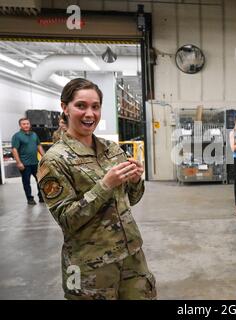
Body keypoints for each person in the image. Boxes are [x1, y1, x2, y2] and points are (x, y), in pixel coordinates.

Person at [37, 78, 156, 300]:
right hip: (90, 265)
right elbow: (67, 219)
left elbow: (132, 198)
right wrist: (105, 185)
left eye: (95, 106)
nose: (89, 114)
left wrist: (136, 180)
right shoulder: (54, 160)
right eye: (81, 106)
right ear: (65, 107)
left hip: (131, 255)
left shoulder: (111, 150)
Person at [11, 117, 45, 205]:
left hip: (35, 163)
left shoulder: (34, 135)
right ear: (20, 125)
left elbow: (39, 146)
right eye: (24, 124)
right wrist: (18, 162)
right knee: (27, 182)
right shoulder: (17, 136)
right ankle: (30, 198)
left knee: (40, 180)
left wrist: (45, 157)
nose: (26, 125)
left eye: (27, 124)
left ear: (30, 124)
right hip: (24, 164)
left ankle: (41, 197)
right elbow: (14, 150)